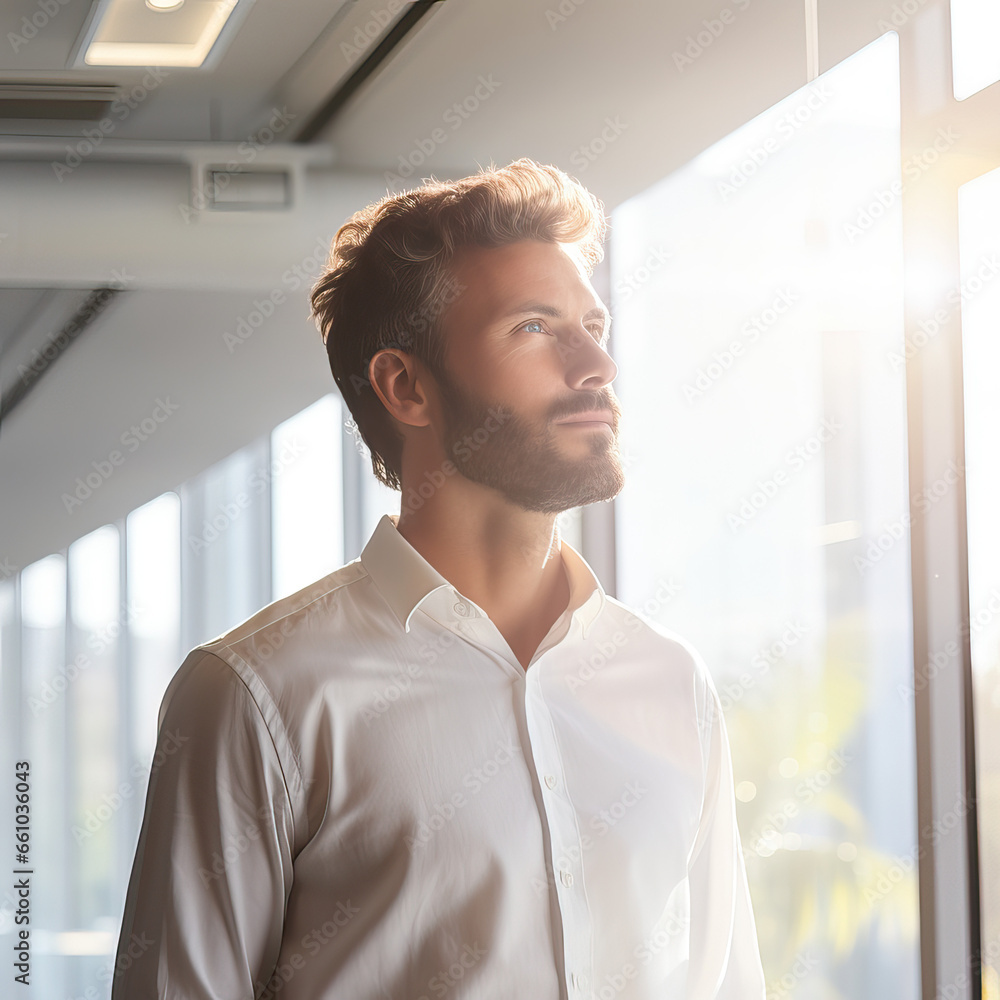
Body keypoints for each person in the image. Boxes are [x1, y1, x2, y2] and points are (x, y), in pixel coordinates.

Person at [112, 157, 766, 999]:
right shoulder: (259, 694)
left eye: (592, 325)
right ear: (406, 387)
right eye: (534, 328)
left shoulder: (669, 680)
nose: (595, 365)